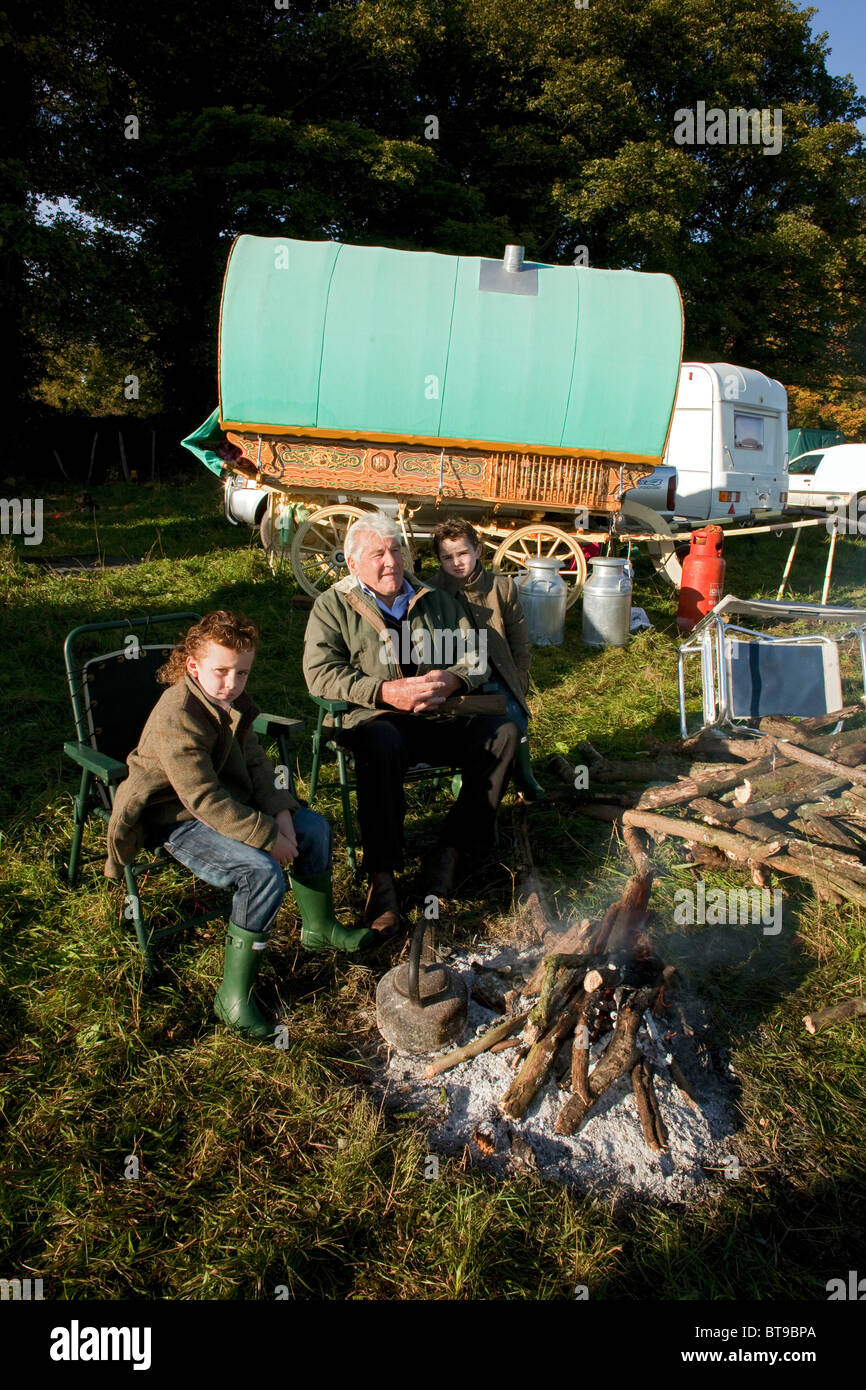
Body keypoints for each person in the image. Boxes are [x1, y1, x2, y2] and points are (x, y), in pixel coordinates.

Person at [105, 610, 370, 1041]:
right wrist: (269, 838)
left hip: (228, 800)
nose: (232, 683)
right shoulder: (179, 715)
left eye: (242, 672)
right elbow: (202, 798)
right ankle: (233, 998)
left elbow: (255, 761)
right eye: (221, 671)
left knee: (315, 828)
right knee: (260, 872)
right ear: (193, 666)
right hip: (176, 816)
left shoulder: (230, 702)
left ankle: (319, 928)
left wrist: (282, 815)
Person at [302, 513, 519, 936]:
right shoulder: (333, 605)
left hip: (438, 715)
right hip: (376, 718)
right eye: (377, 554)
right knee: (380, 743)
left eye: (396, 550)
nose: (391, 561)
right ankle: (382, 878)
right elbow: (320, 673)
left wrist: (453, 678)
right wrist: (385, 693)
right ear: (352, 564)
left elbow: (473, 655)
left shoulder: (432, 598)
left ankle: (449, 850)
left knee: (504, 731)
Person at [429, 517, 543, 798]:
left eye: (463, 553)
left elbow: (518, 634)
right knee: (466, 721)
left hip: (498, 670)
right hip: (457, 675)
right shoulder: (432, 591)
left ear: (477, 550)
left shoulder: (501, 588)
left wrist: (521, 671)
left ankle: (523, 773)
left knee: (514, 716)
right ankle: (466, 777)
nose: (456, 562)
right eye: (447, 557)